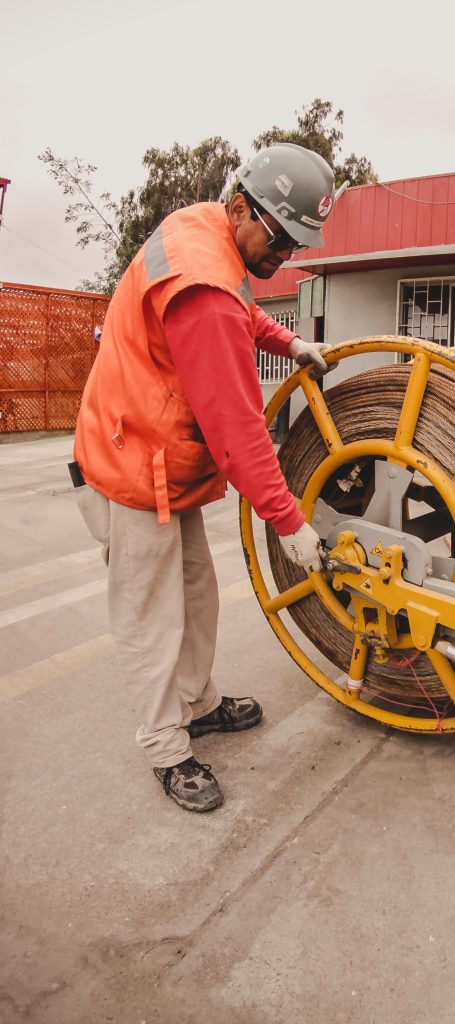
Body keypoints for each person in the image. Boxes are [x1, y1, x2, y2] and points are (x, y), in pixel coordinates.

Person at [72, 143, 336, 813]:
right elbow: (239, 431)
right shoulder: (205, 287)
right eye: (279, 240)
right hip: (133, 462)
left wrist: (287, 341)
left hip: (161, 452)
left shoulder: (207, 228)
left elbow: (242, 308)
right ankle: (165, 745)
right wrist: (291, 525)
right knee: (152, 613)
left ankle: (199, 702)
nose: (283, 257)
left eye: (296, 245)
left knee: (194, 594)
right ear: (243, 206)